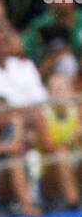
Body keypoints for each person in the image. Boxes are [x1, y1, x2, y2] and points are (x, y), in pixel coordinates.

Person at [35, 72, 82, 209]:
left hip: (76, 168)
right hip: (51, 174)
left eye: (62, 89)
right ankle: (73, 205)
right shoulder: (42, 114)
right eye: (55, 89)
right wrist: (74, 138)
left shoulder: (78, 110)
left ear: (72, 91)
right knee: (60, 154)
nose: (59, 93)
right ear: (48, 93)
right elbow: (49, 148)